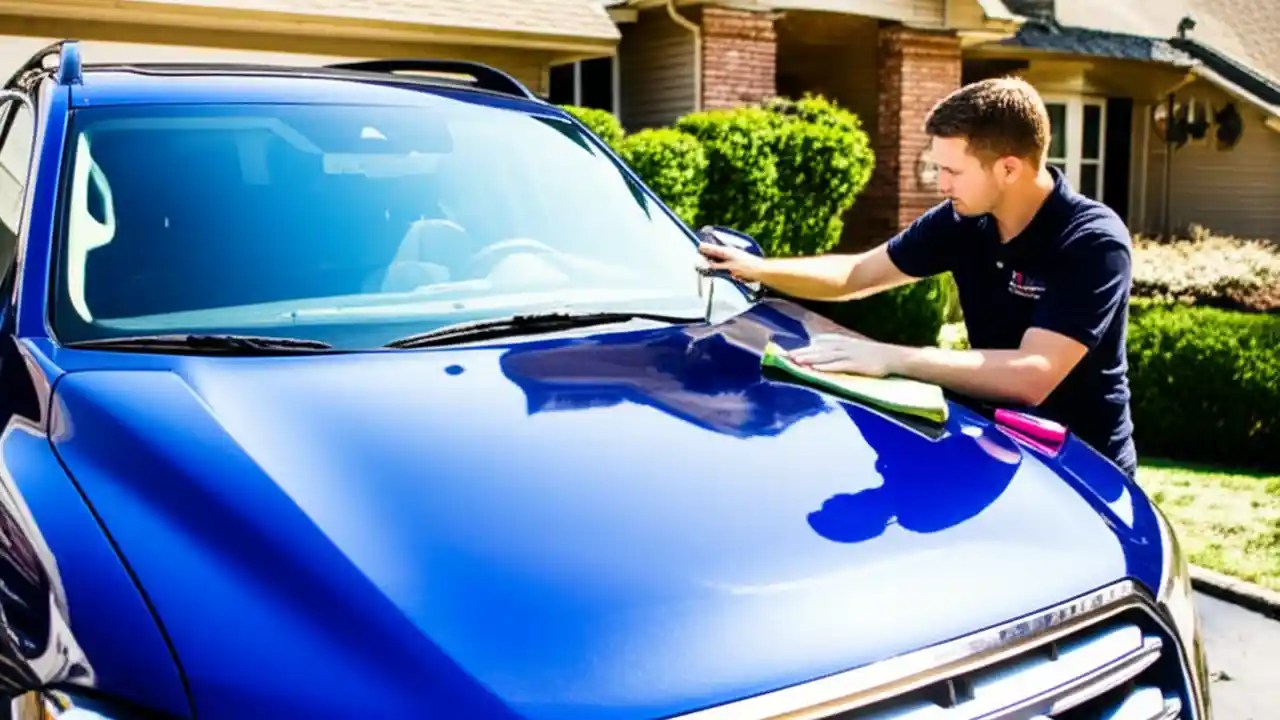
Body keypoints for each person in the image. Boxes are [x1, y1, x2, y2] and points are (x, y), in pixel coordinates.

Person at [698, 77, 1137, 478]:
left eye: (953, 171)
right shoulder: (962, 221)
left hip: (1084, 471)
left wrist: (888, 357)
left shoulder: (1092, 241)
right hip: (999, 451)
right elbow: (856, 274)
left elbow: (1030, 375)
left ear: (1008, 168)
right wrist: (755, 268)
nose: (940, 184)